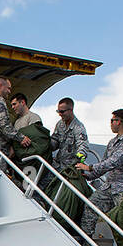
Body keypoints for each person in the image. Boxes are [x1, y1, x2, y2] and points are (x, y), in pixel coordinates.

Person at [77, 108, 123, 225]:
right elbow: (104, 163)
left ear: (119, 121)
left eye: (112, 120)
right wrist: (88, 175)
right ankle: (86, 241)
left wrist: (90, 167)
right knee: (91, 208)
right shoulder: (112, 142)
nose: (110, 124)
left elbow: (114, 162)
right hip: (109, 187)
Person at [47, 97, 90, 232]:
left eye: (63, 112)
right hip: (58, 167)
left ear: (71, 110)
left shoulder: (79, 128)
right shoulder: (60, 124)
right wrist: (44, 143)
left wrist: (79, 161)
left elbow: (83, 148)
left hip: (70, 171)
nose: (60, 114)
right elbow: (55, 141)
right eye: (58, 111)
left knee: (67, 198)